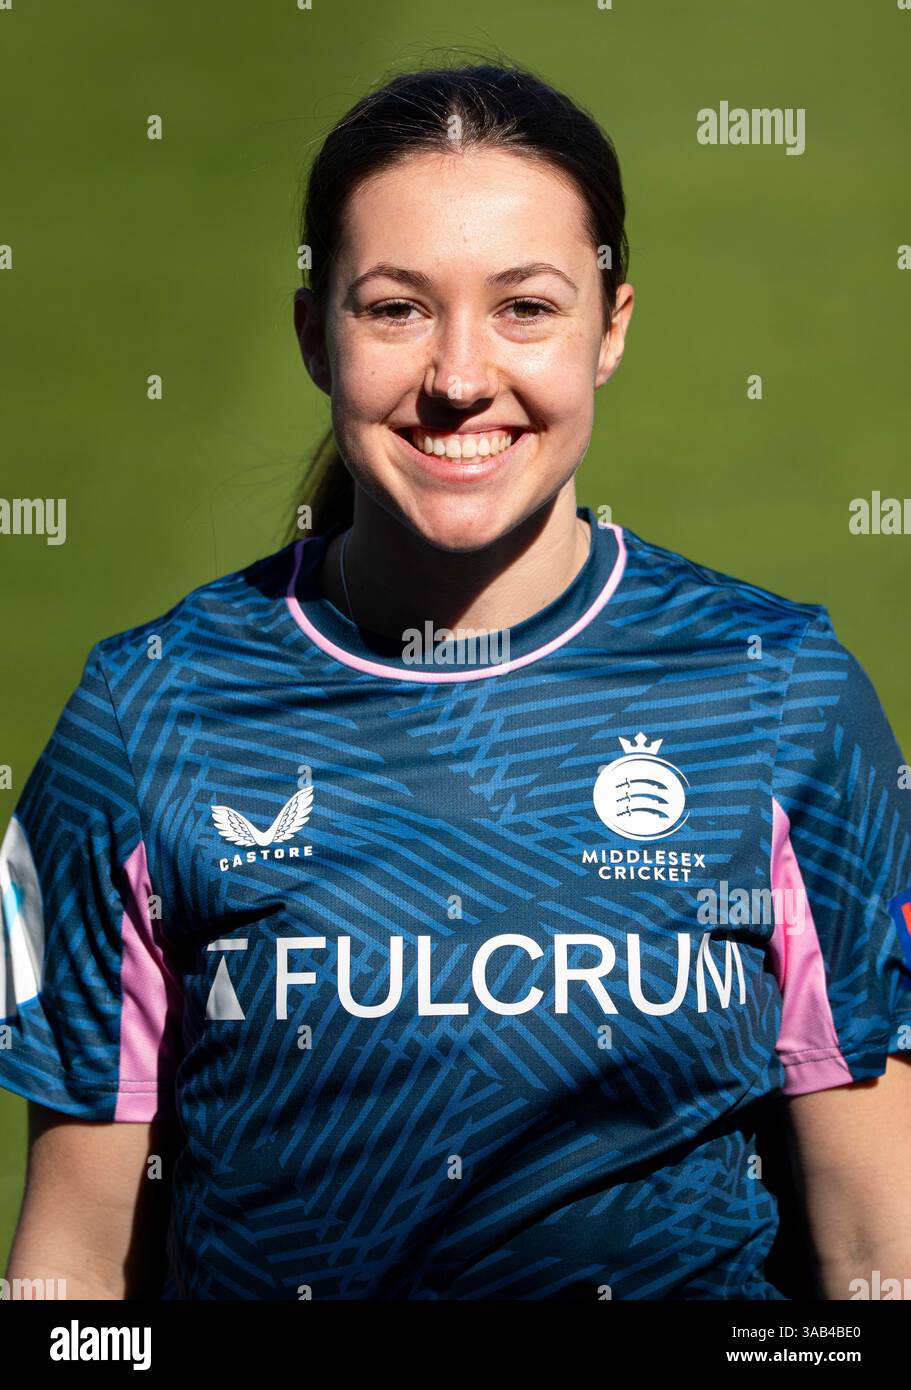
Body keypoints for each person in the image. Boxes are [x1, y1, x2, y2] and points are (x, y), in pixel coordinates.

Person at [2, 59, 911, 1302]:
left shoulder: (779, 697)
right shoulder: (149, 713)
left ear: (613, 327)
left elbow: (875, 1259)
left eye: (525, 307)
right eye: (395, 309)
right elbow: (71, 1272)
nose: (458, 377)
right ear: (313, 333)